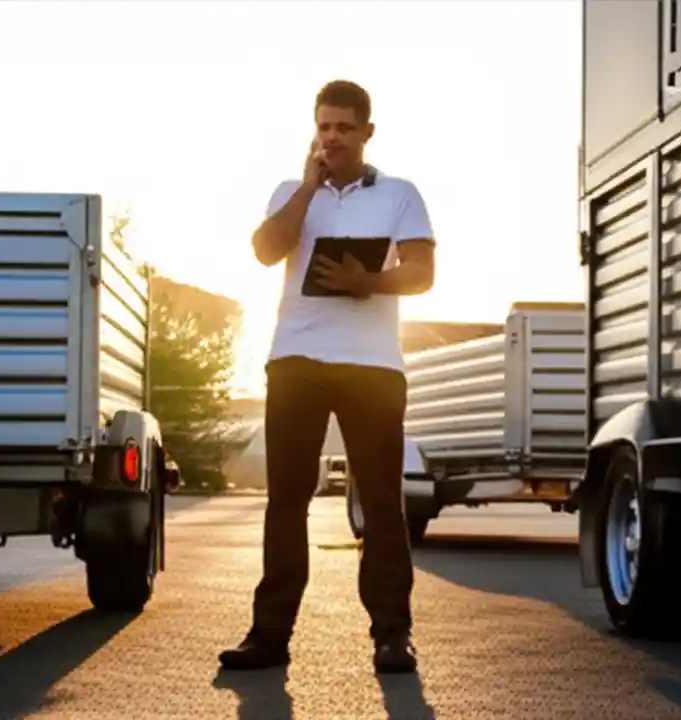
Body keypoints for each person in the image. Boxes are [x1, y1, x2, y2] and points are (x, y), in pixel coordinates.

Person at [218, 79, 436, 674]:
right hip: (297, 361)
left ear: (367, 131)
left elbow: (421, 273)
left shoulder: (399, 194)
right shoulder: (293, 191)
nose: (332, 137)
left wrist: (369, 282)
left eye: (343, 127)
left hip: (372, 367)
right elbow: (266, 250)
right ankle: (269, 637)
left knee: (384, 504)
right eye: (323, 127)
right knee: (285, 501)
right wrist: (309, 190)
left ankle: (393, 636)